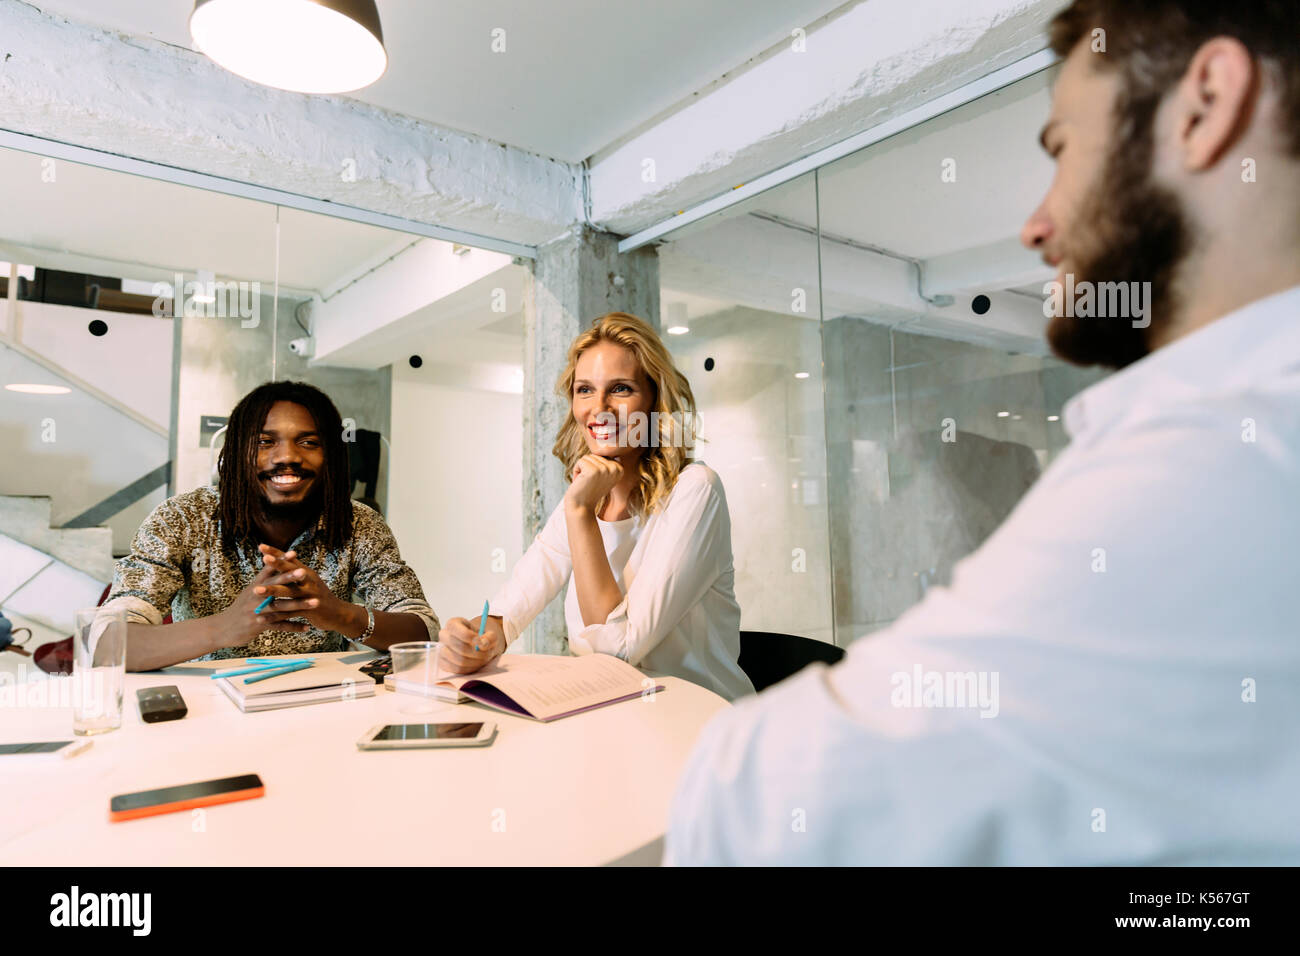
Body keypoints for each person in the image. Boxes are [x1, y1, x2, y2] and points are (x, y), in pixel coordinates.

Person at [665, 0, 1300, 864]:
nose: (1038, 226)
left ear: (1207, 104)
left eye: (1064, 149)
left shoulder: (1218, 457)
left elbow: (767, 808)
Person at [438, 312, 754, 701]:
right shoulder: (587, 497)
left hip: (699, 723)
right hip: (614, 711)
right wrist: (475, 638)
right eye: (584, 390)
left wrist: (580, 512)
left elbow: (618, 651)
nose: (598, 407)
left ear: (654, 400)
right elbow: (511, 609)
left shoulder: (695, 491)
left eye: (620, 389)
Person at [103, 381, 439, 671]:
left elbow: (422, 632)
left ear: (333, 457)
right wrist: (224, 628)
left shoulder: (360, 524)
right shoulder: (182, 518)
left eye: (308, 442)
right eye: (265, 442)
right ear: (236, 452)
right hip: (208, 710)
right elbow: (107, 644)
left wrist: (339, 614)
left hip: (323, 706)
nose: (287, 456)